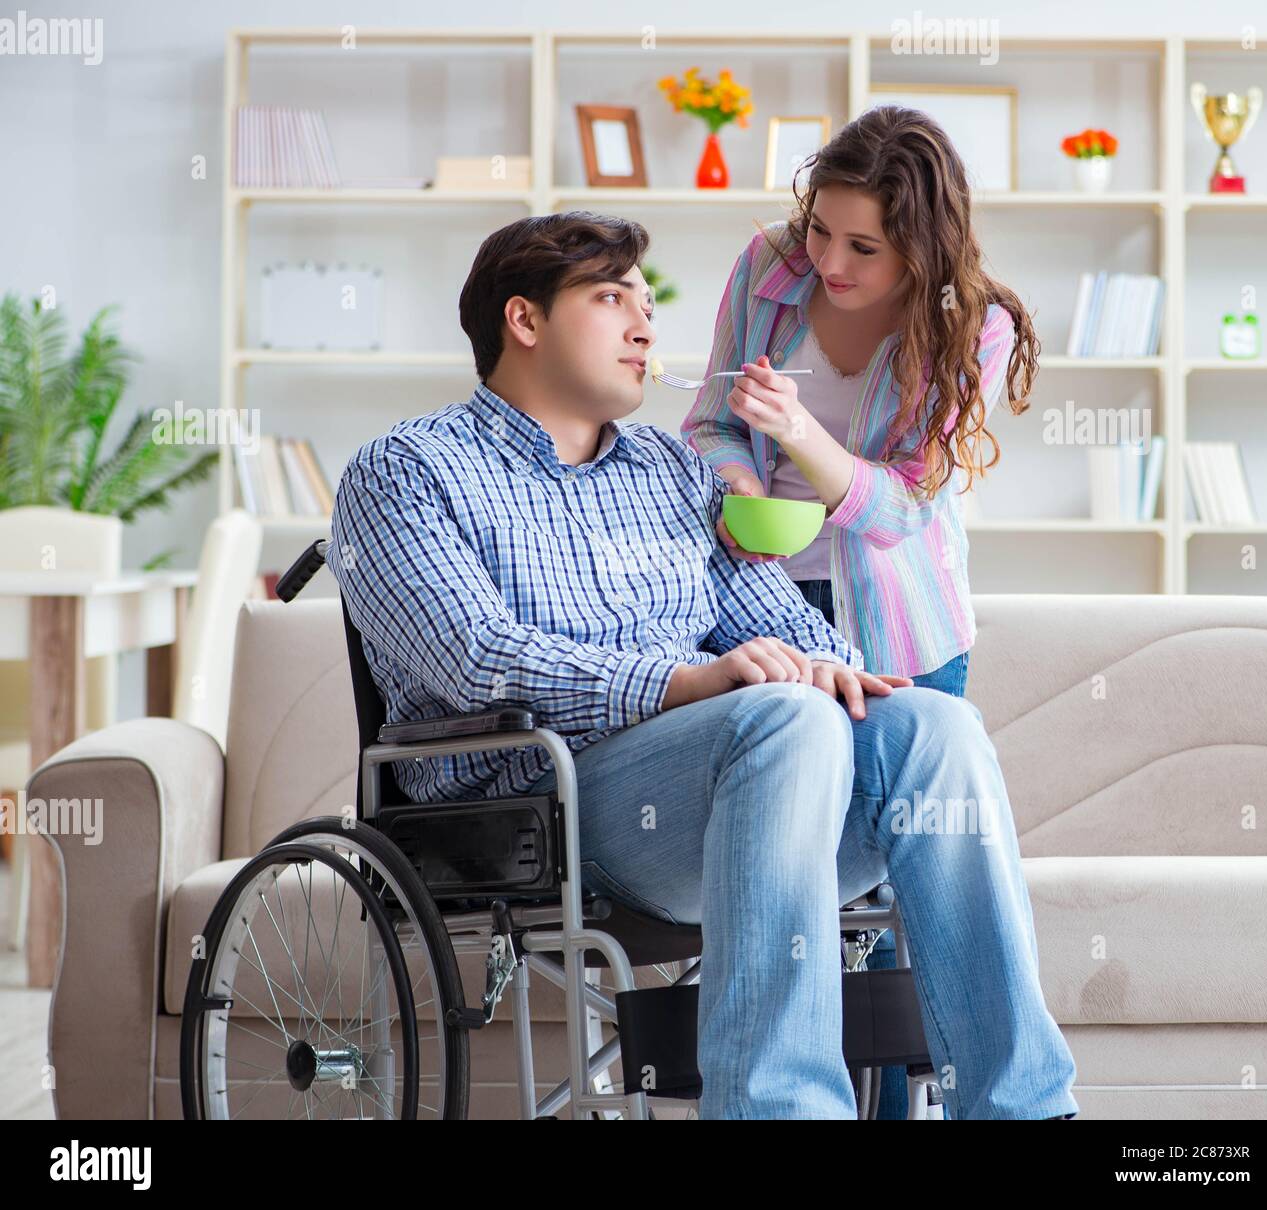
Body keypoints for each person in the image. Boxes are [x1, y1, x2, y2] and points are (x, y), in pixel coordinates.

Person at [324, 209, 1078, 1120]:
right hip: (539, 804)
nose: (646, 326)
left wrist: (836, 666)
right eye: (612, 300)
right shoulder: (405, 469)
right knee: (784, 716)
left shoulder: (673, 472)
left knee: (933, 728)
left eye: (649, 302)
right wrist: (687, 683)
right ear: (524, 321)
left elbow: (767, 609)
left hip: (734, 793)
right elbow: (473, 656)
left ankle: (1020, 1110)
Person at [681, 106, 1039, 1116]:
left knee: (887, 904)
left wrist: (796, 433)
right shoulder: (766, 268)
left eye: (863, 246)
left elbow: (899, 505)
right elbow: (707, 421)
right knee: (801, 876)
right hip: (759, 601)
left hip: (901, 630)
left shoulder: (971, 326)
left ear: (920, 247)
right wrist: (734, 505)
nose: (829, 261)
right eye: (820, 231)